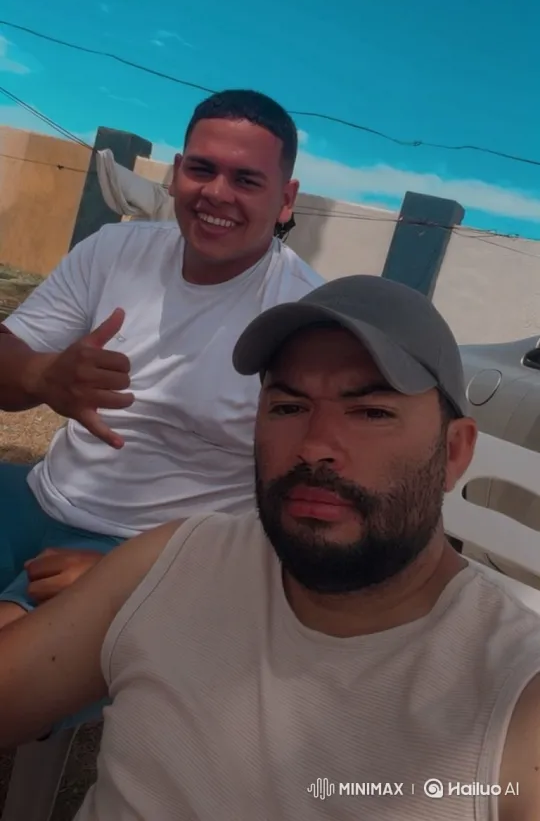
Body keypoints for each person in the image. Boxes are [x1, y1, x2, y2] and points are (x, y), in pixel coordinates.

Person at [1, 274, 539, 821]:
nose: (315, 447)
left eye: (372, 411)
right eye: (287, 407)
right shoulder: (180, 560)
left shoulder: (512, 698)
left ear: (454, 452)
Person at [0, 89, 324, 631]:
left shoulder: (304, 321)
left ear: (286, 199)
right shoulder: (114, 251)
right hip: (34, 493)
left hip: (137, 554)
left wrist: (143, 575)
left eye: (246, 180)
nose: (217, 194)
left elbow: (305, 511)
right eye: (202, 169)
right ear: (177, 173)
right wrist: (42, 375)